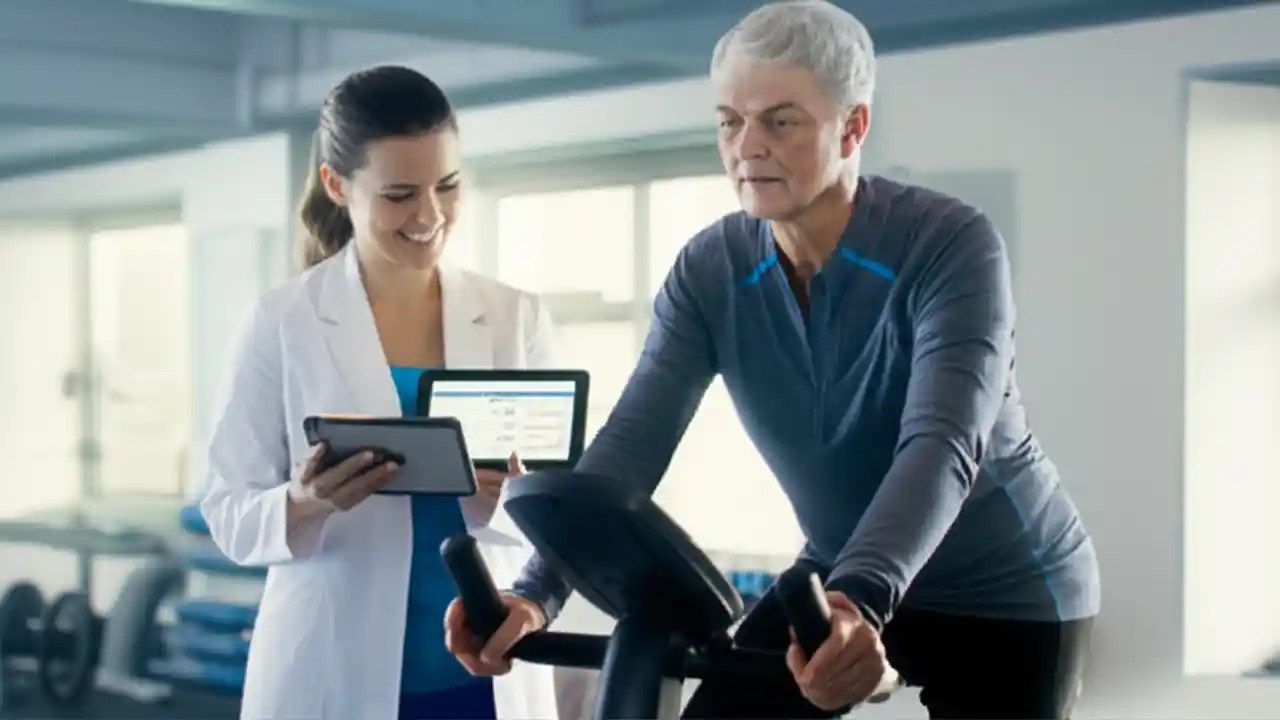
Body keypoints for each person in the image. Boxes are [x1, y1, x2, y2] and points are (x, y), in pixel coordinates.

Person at [444, 2, 1102, 719]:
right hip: (838, 571)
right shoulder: (711, 268)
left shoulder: (949, 244)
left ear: (853, 127)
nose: (746, 146)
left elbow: (942, 444)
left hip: (1004, 592)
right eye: (730, 121)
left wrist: (862, 597)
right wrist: (537, 593)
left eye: (781, 121)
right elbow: (632, 443)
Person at [200, 65, 566, 720]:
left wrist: (510, 498)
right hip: (331, 672)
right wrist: (303, 501)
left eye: (448, 186)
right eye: (399, 194)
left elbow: (561, 517)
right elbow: (227, 511)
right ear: (336, 185)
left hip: (483, 673)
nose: (431, 216)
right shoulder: (283, 321)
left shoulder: (516, 316)